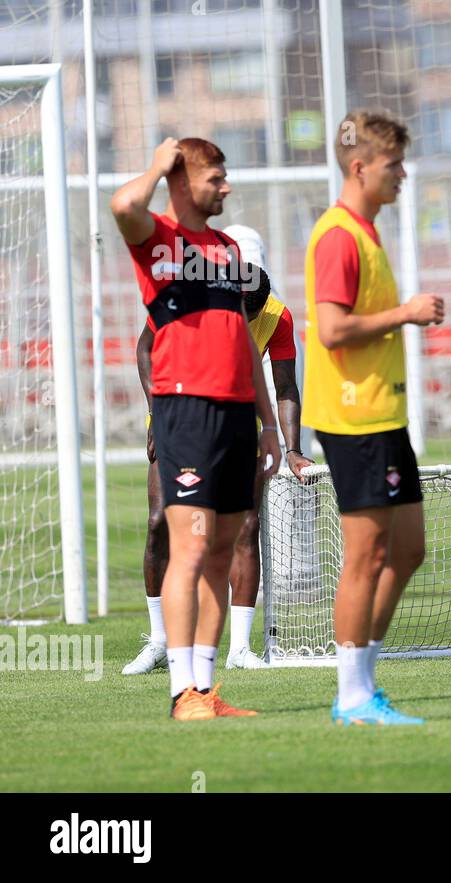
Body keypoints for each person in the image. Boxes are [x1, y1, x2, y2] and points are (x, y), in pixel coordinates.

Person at [111, 137, 281, 719]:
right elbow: (121, 206)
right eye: (215, 177)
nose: (226, 187)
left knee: (221, 550)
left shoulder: (230, 253)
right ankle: (180, 690)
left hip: (238, 415)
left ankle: (204, 688)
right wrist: (160, 162)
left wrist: (270, 427)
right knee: (191, 547)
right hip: (188, 412)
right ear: (183, 183)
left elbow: (245, 346)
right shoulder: (158, 239)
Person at [303, 110, 444, 725]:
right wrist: (406, 313)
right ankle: (353, 695)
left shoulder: (366, 230)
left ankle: (364, 684)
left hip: (382, 413)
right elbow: (331, 330)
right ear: (360, 167)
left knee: (407, 550)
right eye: (393, 165)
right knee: (365, 556)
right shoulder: (338, 235)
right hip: (352, 418)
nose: (402, 174)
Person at [122, 225, 313, 675]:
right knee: (159, 524)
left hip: (236, 424)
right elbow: (145, 350)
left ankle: (241, 649)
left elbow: (285, 387)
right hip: (177, 419)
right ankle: (159, 642)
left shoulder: (275, 315)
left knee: (246, 527)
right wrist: (157, 410)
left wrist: (292, 446)